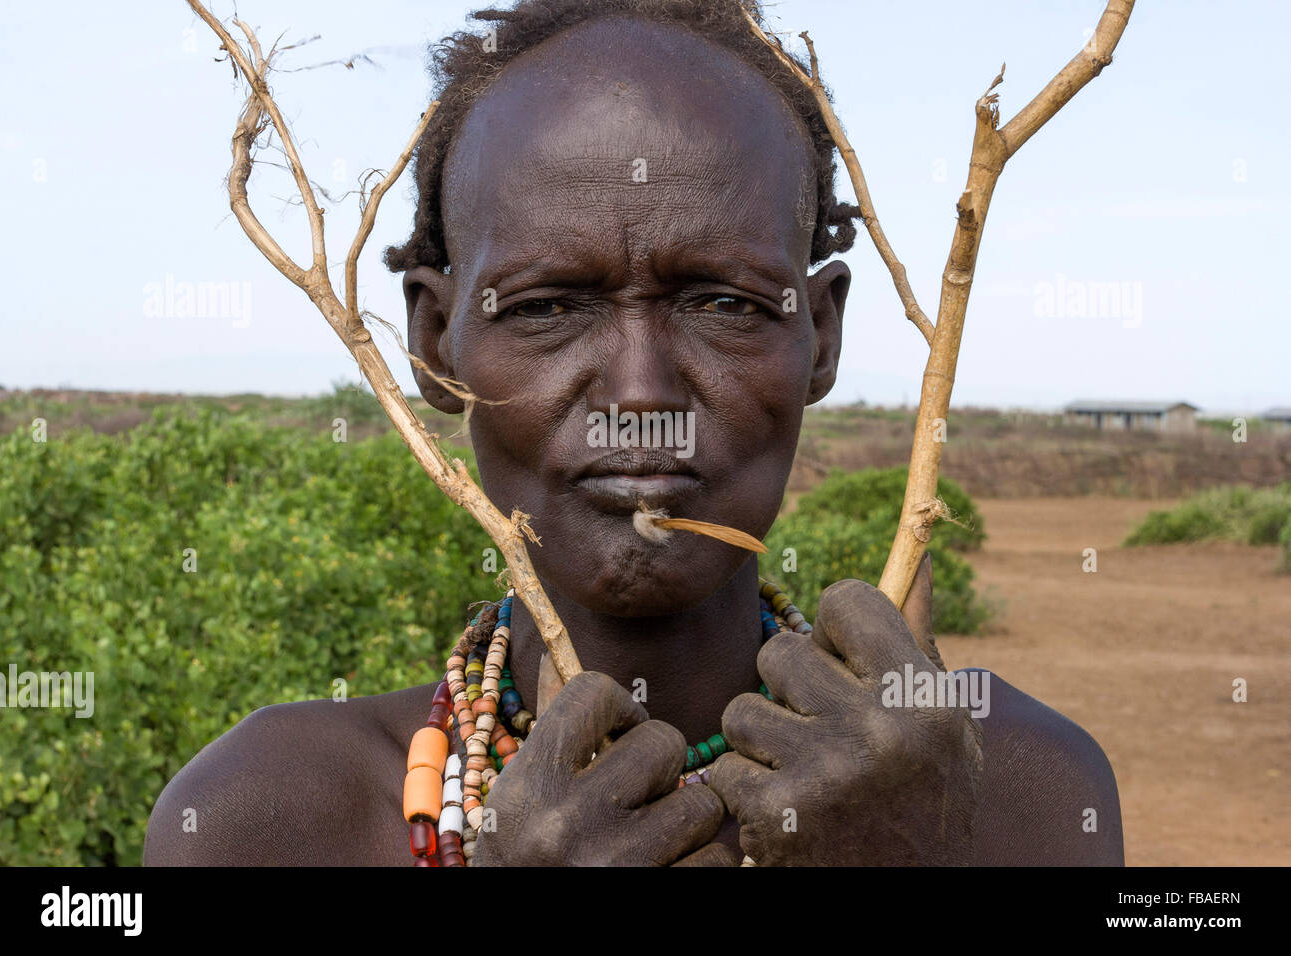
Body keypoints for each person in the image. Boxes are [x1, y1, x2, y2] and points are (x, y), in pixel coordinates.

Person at [144, 0, 1123, 866]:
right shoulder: (269, 818)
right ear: (435, 340)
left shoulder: (1015, 792)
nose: (641, 392)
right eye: (547, 306)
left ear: (818, 335)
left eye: (722, 302)